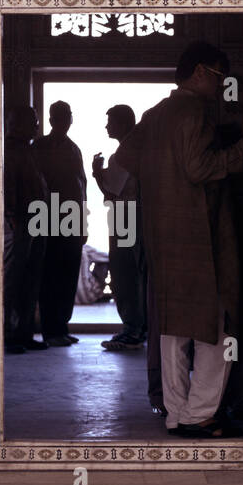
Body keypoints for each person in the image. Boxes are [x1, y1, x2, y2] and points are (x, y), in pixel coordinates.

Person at [115, 42, 243, 438]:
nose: (222, 86)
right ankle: (200, 414)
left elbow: (127, 161)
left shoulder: (155, 114)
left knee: (173, 329)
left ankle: (176, 413)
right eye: (220, 77)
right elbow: (198, 167)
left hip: (163, 236)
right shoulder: (194, 111)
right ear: (201, 73)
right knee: (216, 328)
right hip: (199, 238)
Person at [92, 104, 147, 352]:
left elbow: (112, 194)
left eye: (110, 122)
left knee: (124, 273)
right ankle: (139, 327)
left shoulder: (122, 154)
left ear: (123, 124)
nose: (106, 126)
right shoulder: (140, 150)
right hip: (138, 216)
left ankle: (131, 329)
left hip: (125, 217)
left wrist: (96, 174)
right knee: (137, 273)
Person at [32, 100, 87, 347]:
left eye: (66, 116)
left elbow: (81, 188)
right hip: (47, 220)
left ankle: (61, 327)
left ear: (71, 119)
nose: (63, 121)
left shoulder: (74, 149)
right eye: (58, 116)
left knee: (67, 276)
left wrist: (82, 224)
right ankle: (50, 330)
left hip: (71, 220)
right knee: (48, 277)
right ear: (51, 119)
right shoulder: (39, 147)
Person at [3, 104, 48, 354]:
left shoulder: (28, 150)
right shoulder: (9, 150)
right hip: (18, 223)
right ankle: (9, 335)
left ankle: (24, 333)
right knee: (12, 282)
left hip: (34, 222)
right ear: (16, 123)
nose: (37, 125)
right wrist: (11, 217)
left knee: (30, 281)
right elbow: (7, 187)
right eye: (33, 121)